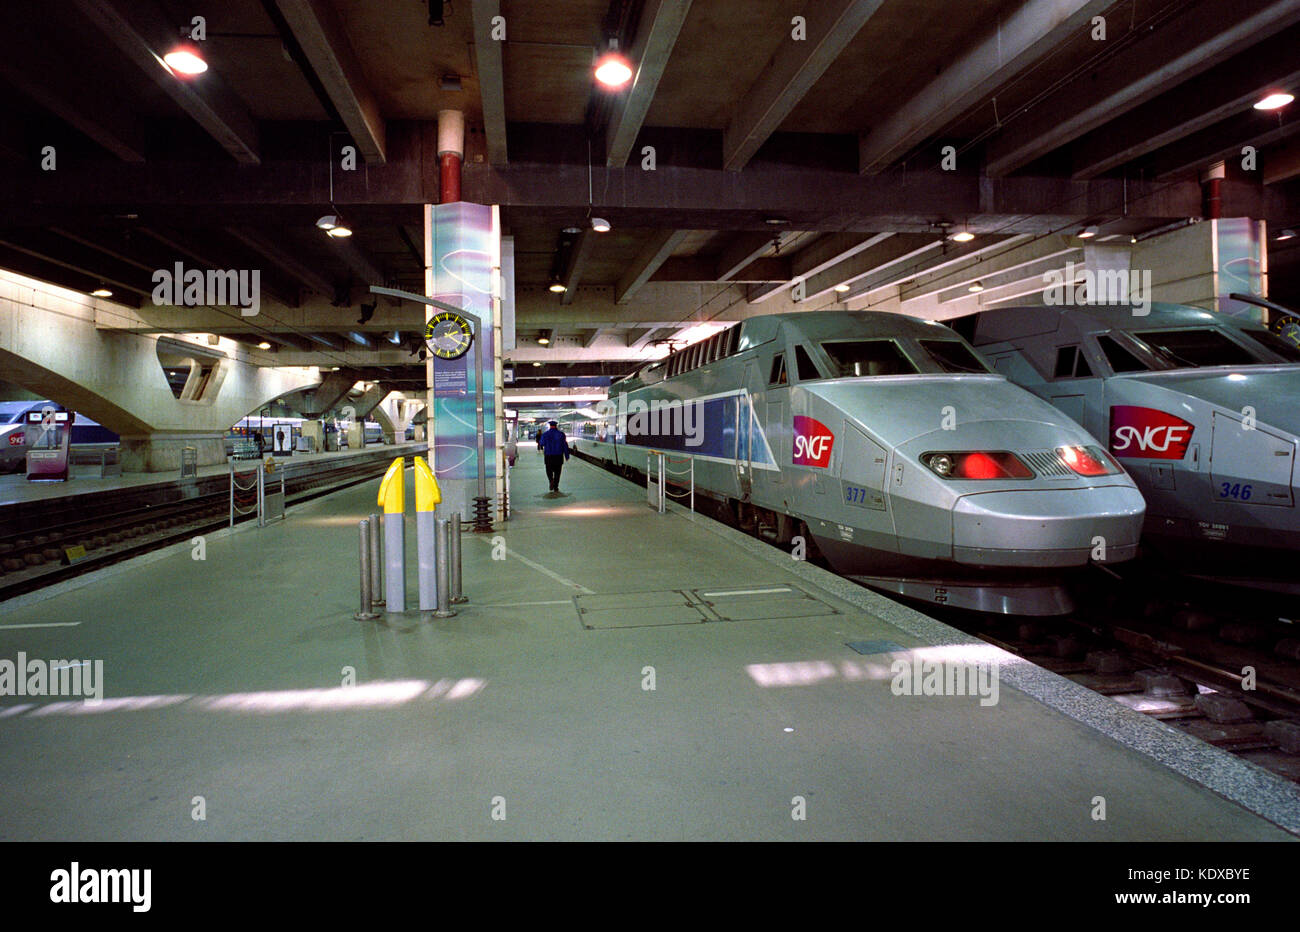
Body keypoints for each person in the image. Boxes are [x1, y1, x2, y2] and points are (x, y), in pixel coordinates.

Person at [538, 420, 570, 492]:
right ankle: (556, 486)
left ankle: (551, 480)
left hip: (548, 456)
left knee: (548, 470)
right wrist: (567, 456)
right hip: (558, 456)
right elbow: (565, 445)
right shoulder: (561, 434)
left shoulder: (545, 434)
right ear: (556, 426)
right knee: (557, 472)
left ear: (550, 426)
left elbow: (541, 443)